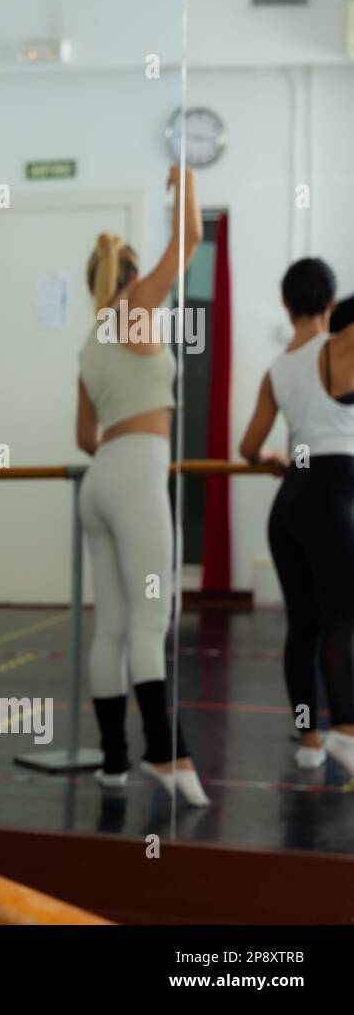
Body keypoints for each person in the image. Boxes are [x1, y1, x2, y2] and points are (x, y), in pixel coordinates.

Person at [75, 166, 209, 807]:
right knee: (153, 619)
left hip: (100, 484)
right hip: (135, 474)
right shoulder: (135, 310)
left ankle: (113, 763)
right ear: (131, 277)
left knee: (115, 627)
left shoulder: (89, 343)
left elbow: (84, 435)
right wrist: (184, 177)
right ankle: (165, 751)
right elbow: (188, 242)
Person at [239, 258, 354, 777]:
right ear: (329, 304)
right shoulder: (336, 347)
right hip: (334, 495)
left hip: (291, 501)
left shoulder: (276, 369)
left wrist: (269, 461)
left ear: (286, 305)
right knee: (342, 619)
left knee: (303, 626)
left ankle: (310, 741)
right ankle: (346, 734)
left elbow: (248, 446)